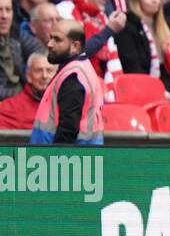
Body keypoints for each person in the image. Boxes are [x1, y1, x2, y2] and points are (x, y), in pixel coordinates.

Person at [29, 16, 123, 144]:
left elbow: (67, 133)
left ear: (75, 46)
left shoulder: (73, 77)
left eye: (57, 40)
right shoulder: (80, 67)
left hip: (61, 161)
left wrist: (54, 162)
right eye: (51, 38)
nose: (49, 44)